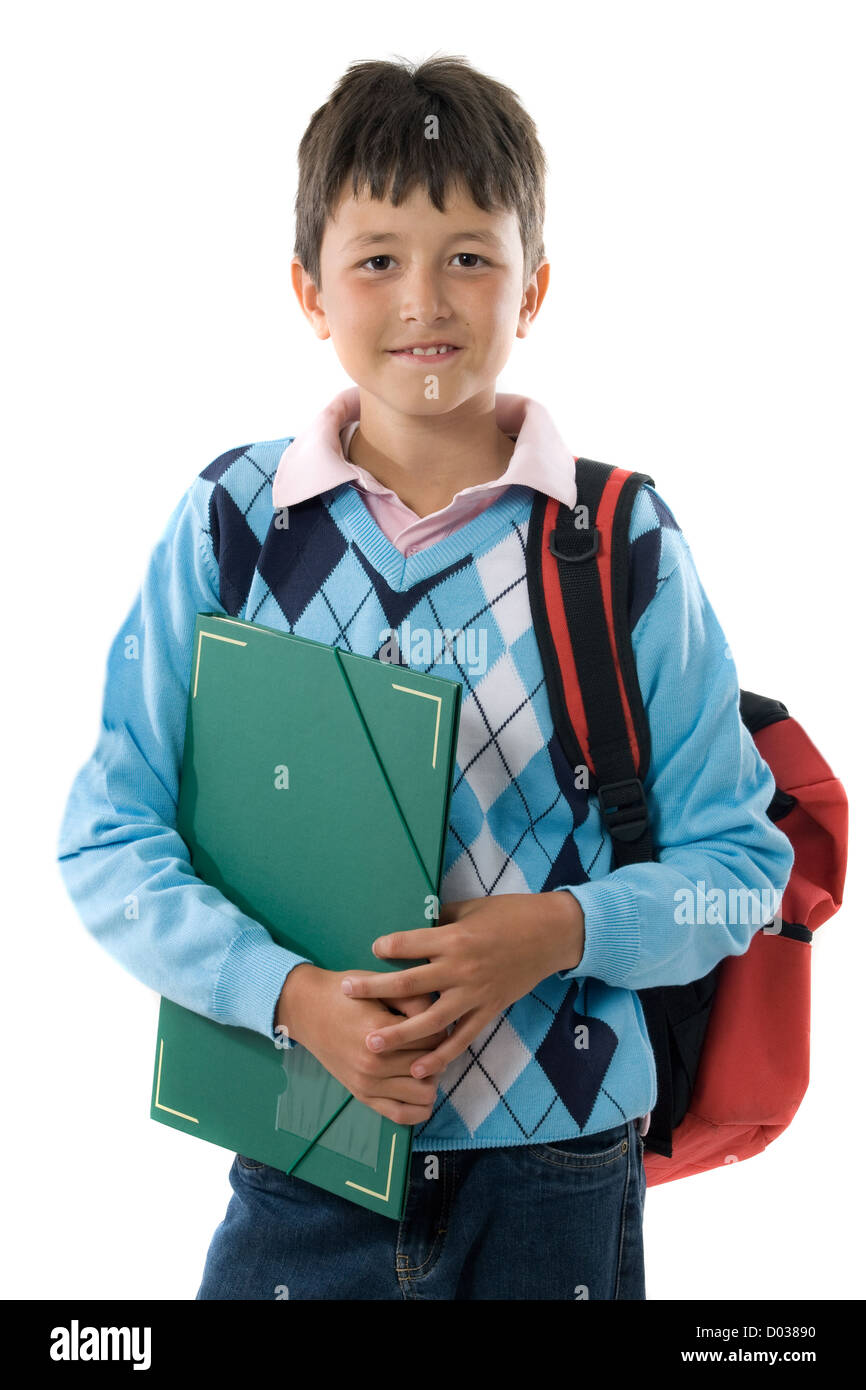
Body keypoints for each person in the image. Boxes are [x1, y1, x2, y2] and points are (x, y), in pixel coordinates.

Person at [56, 53, 794, 1301]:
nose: (423, 299)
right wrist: (288, 995)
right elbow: (107, 840)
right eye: (376, 258)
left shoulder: (615, 539)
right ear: (308, 288)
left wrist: (558, 931)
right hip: (304, 1150)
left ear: (534, 283)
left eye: (468, 254)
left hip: (556, 1176)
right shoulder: (233, 526)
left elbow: (743, 874)